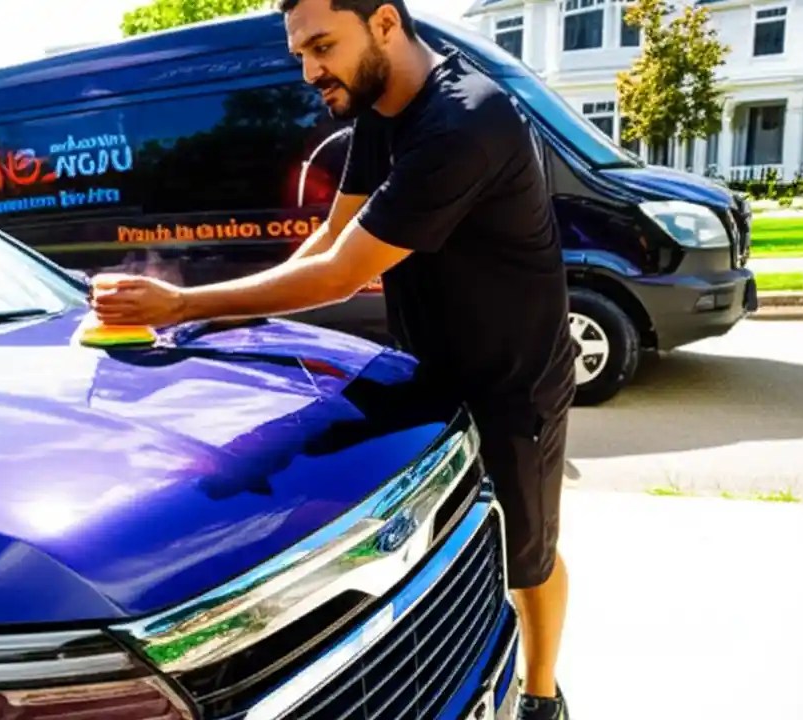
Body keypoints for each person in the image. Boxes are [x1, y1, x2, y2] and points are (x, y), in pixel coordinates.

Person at [89, 0, 577, 717]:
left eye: (323, 45)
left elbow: (344, 274)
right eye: (301, 55)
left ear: (384, 22)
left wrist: (181, 305)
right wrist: (210, 317)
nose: (312, 70)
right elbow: (329, 237)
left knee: (526, 555)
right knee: (436, 543)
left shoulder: (465, 121)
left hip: (513, 380)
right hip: (427, 375)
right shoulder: (382, 113)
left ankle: (541, 693)